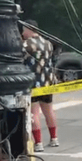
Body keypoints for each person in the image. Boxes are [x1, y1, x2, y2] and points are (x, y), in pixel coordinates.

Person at [21, 19, 59, 152]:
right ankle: (54, 138)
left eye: (24, 29)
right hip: (47, 81)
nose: (22, 32)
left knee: (34, 113)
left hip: (33, 82)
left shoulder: (26, 45)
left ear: (29, 29)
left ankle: (38, 142)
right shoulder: (48, 43)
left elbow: (21, 61)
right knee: (49, 111)